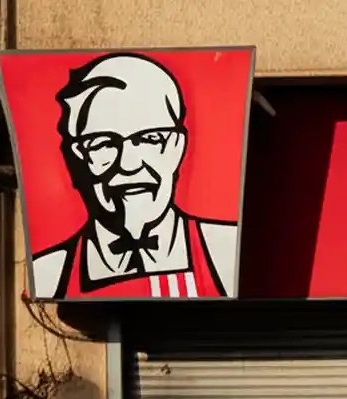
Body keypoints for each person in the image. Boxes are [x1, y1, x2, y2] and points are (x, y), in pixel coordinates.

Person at [30, 53, 239, 299]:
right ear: (80, 156)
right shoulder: (50, 275)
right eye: (104, 143)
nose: (129, 165)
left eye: (150, 139)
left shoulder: (225, 251)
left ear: (178, 146)